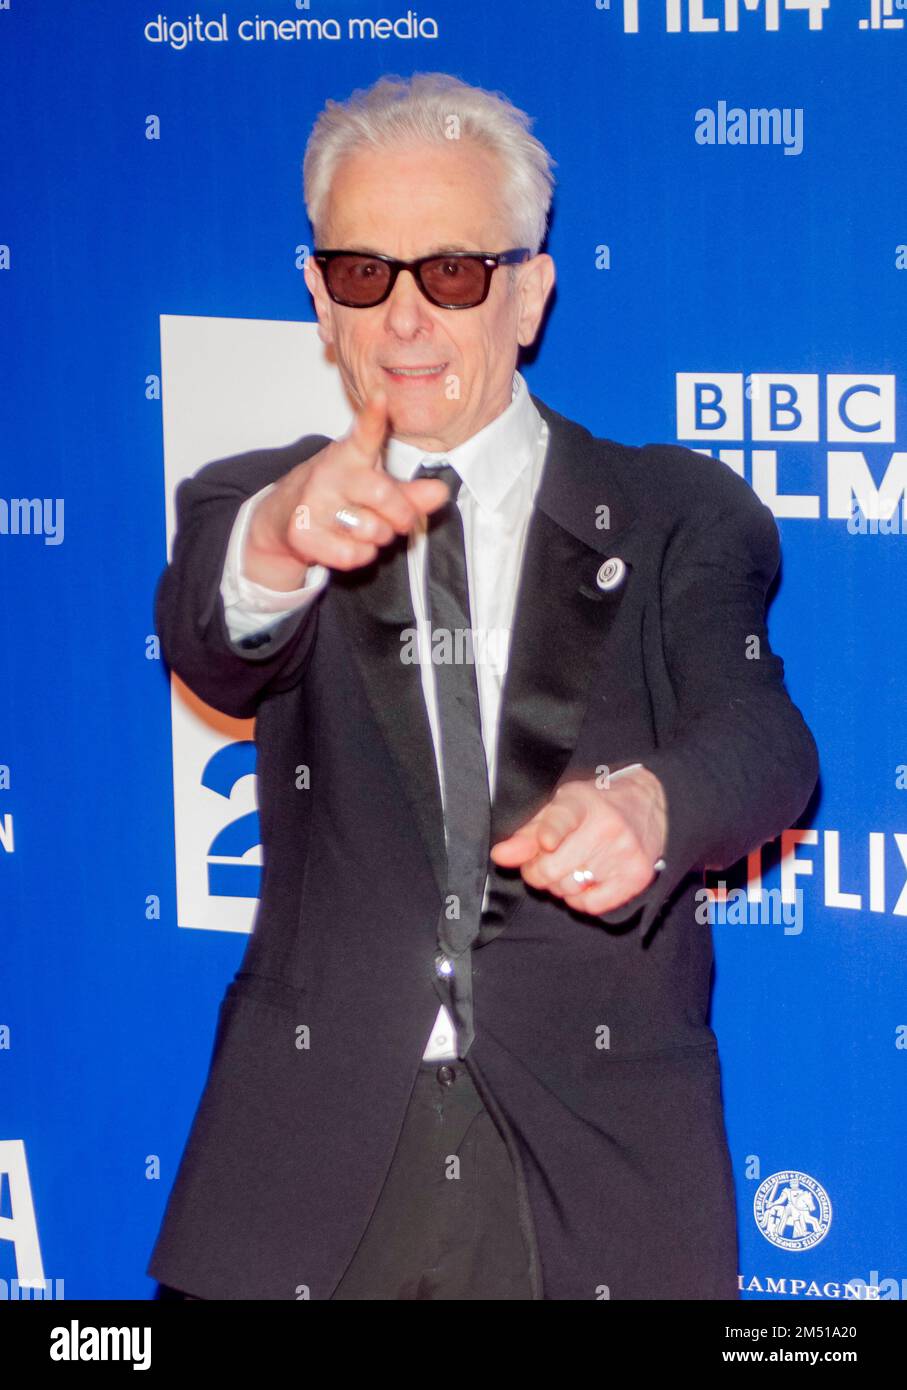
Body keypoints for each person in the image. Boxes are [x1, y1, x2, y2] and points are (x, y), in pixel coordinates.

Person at [147, 72, 818, 1301]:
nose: (404, 319)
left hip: (597, 1166)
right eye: (364, 275)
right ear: (319, 298)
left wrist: (653, 807)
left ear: (527, 293)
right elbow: (211, 635)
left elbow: (766, 739)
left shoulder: (674, 511)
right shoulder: (256, 506)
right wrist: (282, 540)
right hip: (310, 1166)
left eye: (450, 272)